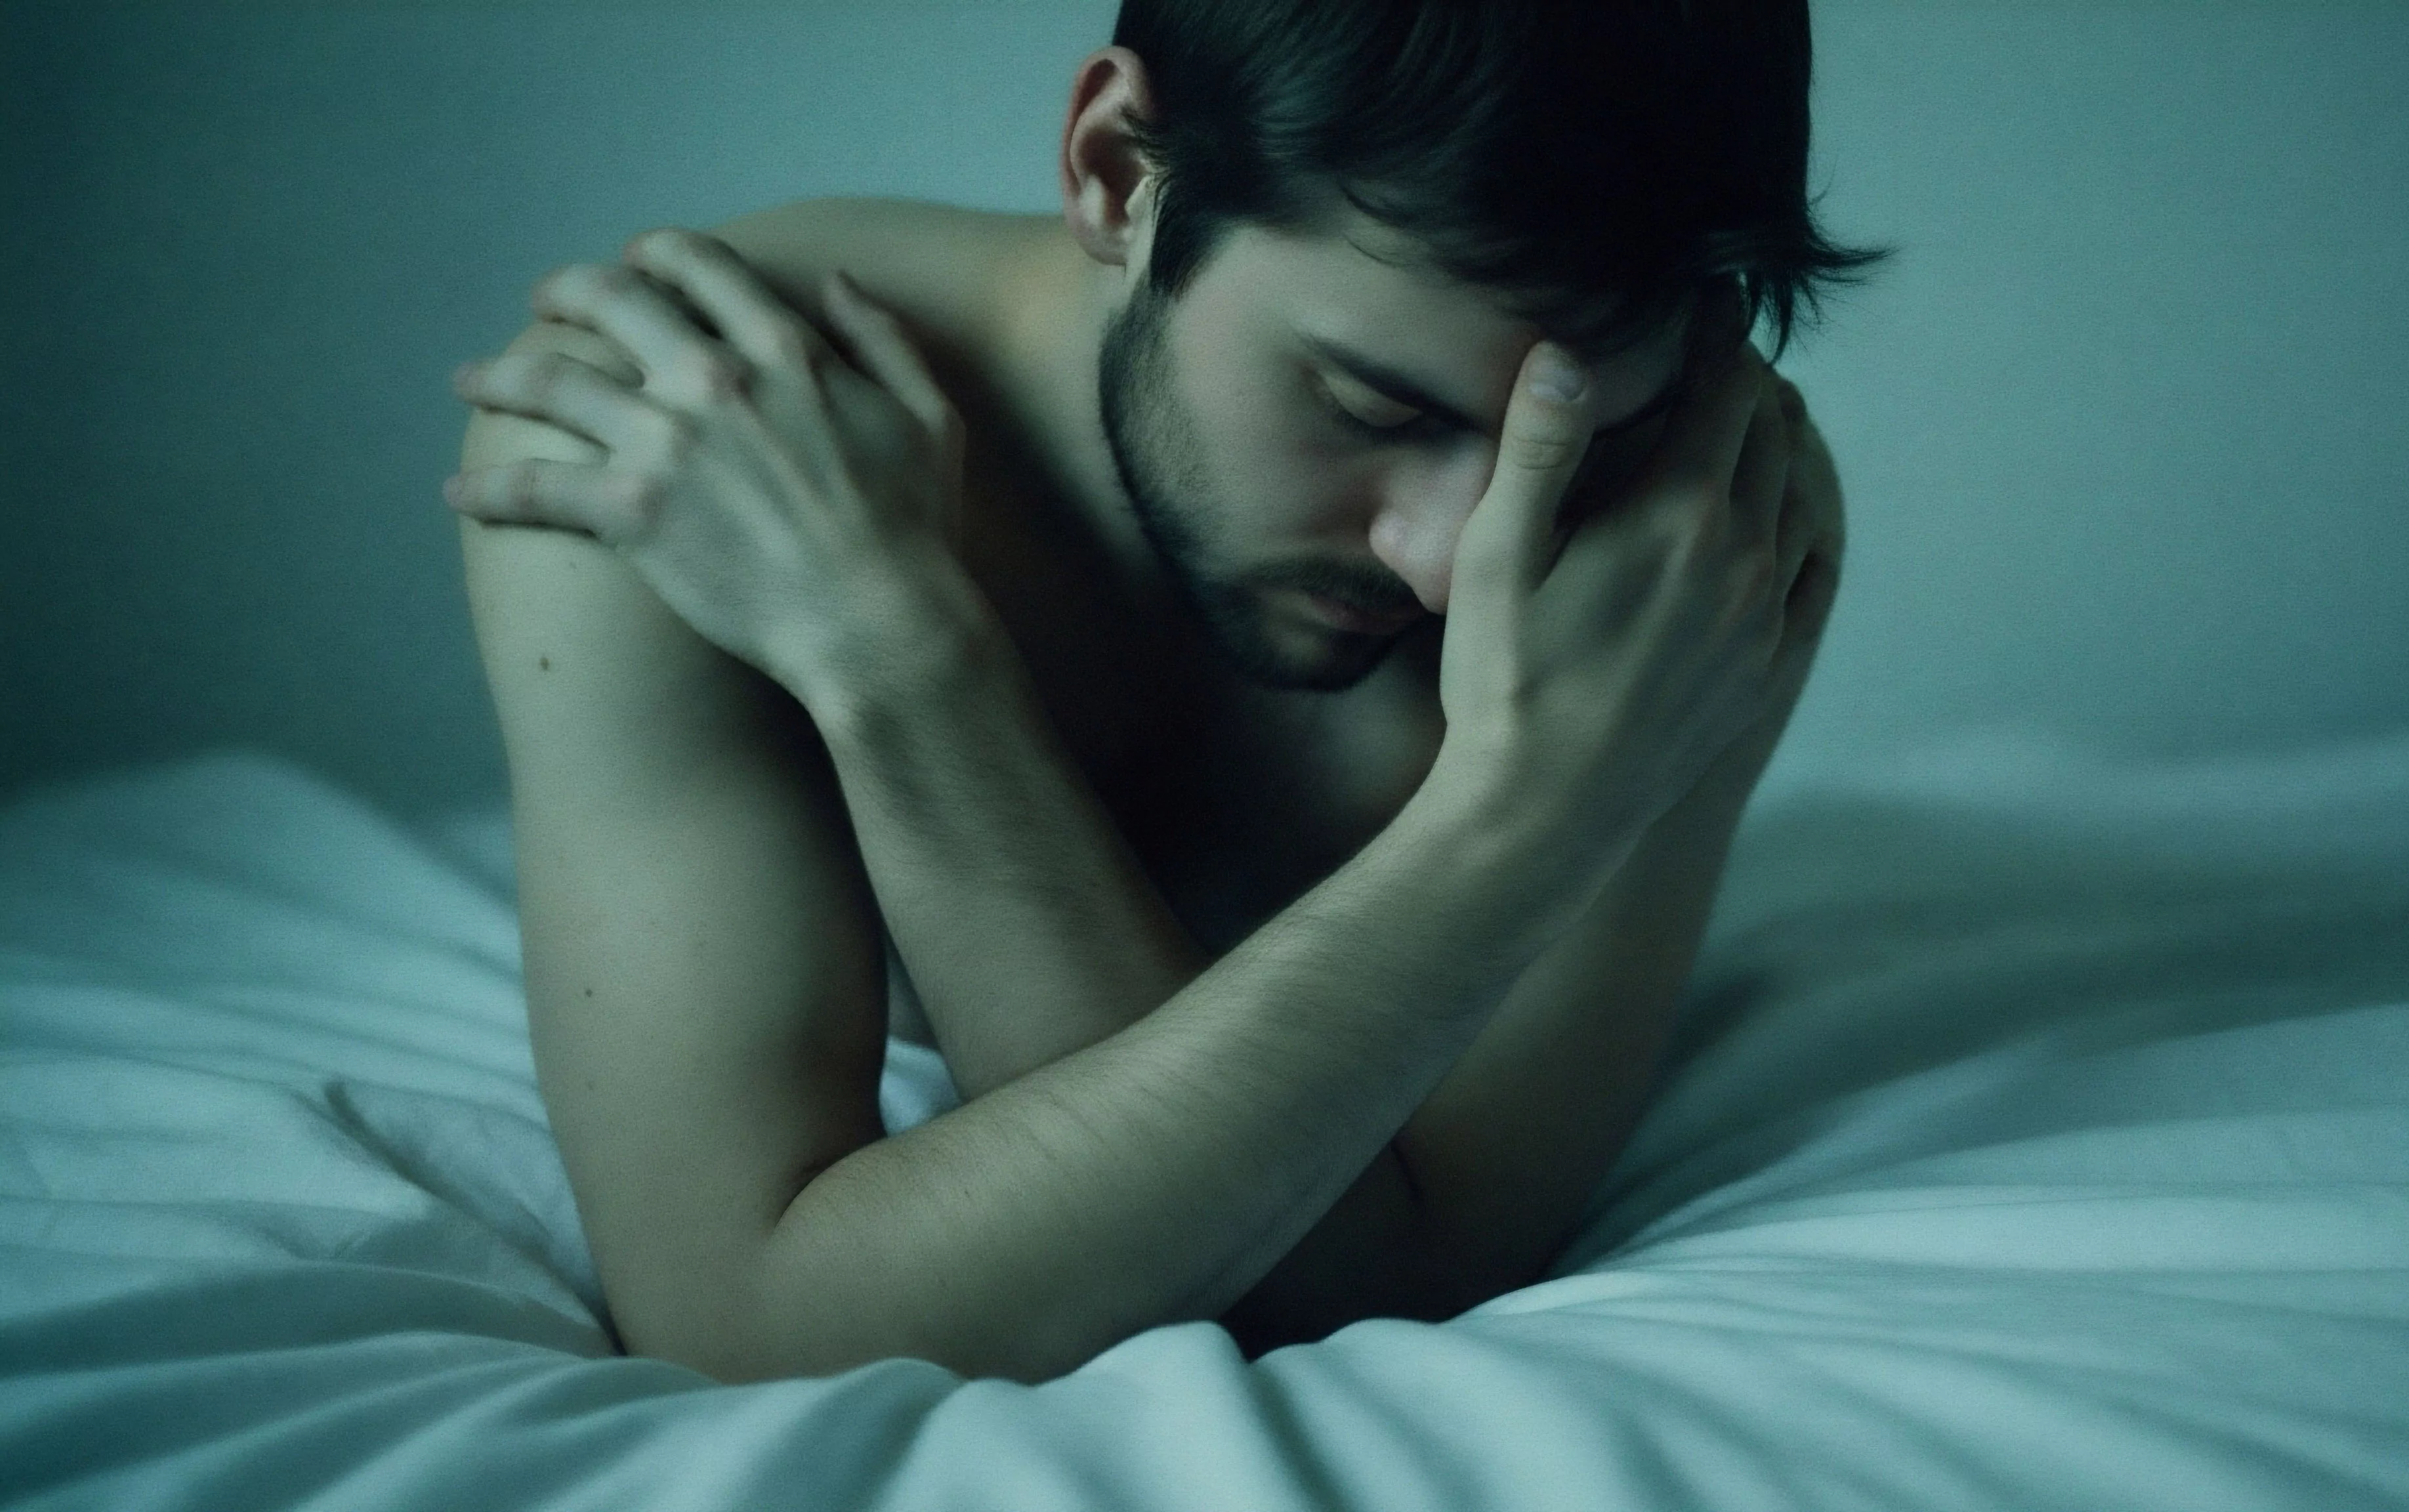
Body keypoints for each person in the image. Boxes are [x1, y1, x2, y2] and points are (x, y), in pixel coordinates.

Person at [443, 0, 1884, 1386]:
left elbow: (1384, 1280)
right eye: (1373, 407)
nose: (1451, 564)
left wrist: (905, 672)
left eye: (1572, 442)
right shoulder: (678, 437)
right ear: (1119, 174)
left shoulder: (1691, 526)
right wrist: (890, 646)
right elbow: (742, 1322)